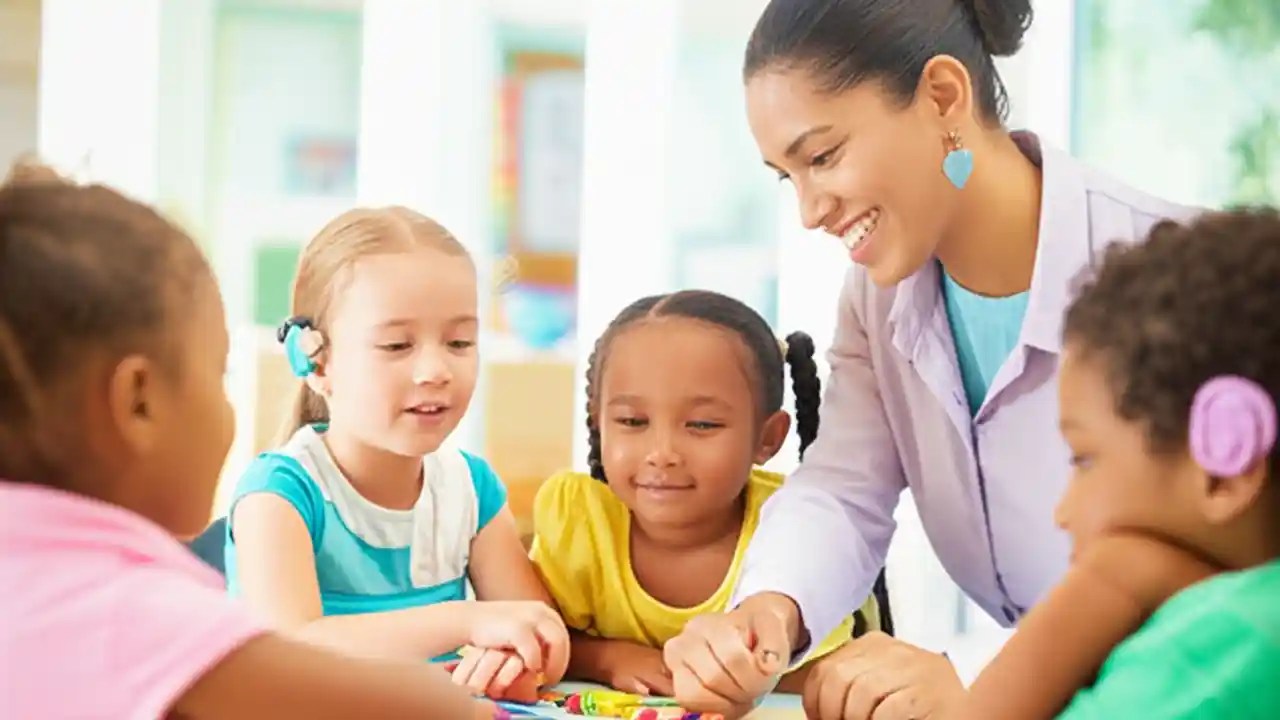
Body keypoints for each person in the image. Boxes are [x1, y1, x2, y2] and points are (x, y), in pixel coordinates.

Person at [663, 0, 1200, 717]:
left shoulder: (1188, 277)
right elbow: (844, 490)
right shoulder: (878, 298)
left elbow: (1219, 584)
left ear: (943, 96)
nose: (809, 210)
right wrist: (767, 611)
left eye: (822, 157)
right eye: (786, 176)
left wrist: (989, 682)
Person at [0, 163, 503, 718]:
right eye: (219, 373)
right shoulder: (131, 614)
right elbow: (434, 711)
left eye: (459, 341)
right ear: (138, 403)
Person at [223, 207, 568, 700]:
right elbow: (289, 649)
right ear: (316, 362)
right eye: (396, 345)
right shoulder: (279, 495)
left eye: (459, 342)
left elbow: (536, 633)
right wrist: (467, 620)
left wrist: (510, 660)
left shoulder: (471, 490)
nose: (434, 370)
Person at [959, 209, 1280, 718]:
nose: (1064, 512)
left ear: (1224, 465)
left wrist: (1116, 579)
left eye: (1085, 460)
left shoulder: (1231, 641)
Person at [531, 290, 886, 697]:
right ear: (598, 424)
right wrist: (608, 659)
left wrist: (743, 673)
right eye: (632, 420)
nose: (661, 453)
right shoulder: (579, 519)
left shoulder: (796, 531)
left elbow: (830, 673)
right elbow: (535, 633)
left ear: (768, 437)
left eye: (701, 425)